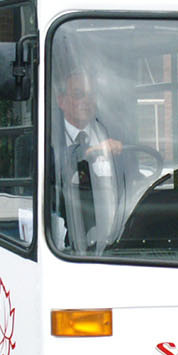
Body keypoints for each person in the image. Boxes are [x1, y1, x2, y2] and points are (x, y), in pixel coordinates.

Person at [54, 68, 125, 251]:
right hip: (66, 247)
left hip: (115, 241)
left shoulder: (109, 134)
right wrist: (84, 154)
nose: (86, 101)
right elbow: (50, 179)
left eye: (91, 96)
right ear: (60, 101)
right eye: (79, 95)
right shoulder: (47, 138)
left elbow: (130, 181)